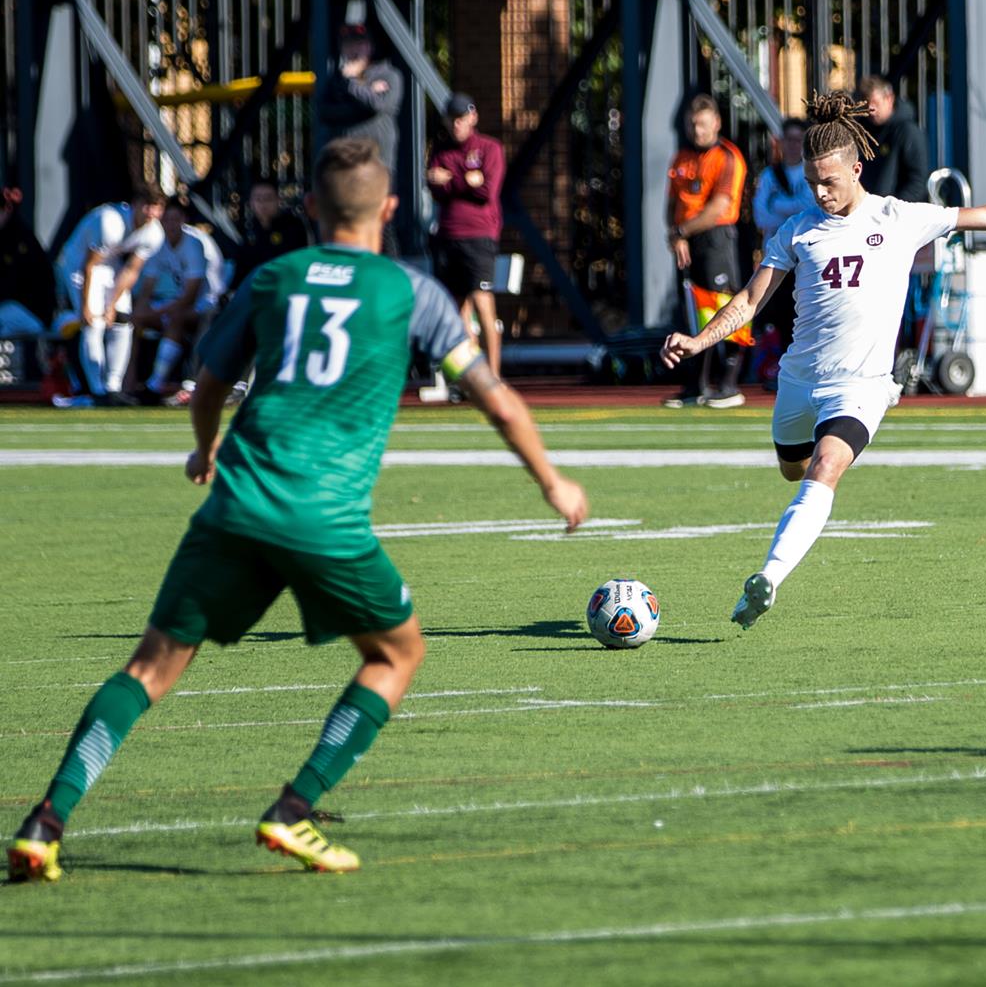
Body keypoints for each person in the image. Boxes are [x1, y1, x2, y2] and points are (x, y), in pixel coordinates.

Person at [6, 138, 589, 883]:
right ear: (388, 208)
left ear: (311, 208)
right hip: (324, 518)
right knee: (398, 653)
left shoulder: (272, 278)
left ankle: (44, 821)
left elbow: (211, 378)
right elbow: (496, 398)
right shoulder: (411, 292)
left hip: (238, 502)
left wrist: (204, 448)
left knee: (149, 668)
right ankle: (294, 807)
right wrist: (552, 482)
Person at [660, 92, 986, 630]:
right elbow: (750, 302)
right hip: (798, 383)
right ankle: (787, 519)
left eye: (830, 181)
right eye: (812, 182)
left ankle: (768, 578)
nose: (820, 193)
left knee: (825, 467)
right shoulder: (796, 231)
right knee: (792, 468)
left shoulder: (899, 218)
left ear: (857, 168)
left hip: (861, 387)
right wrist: (700, 341)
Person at [663, 94, 750, 409]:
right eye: (692, 124)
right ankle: (695, 385)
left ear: (716, 123)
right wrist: (676, 236)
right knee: (692, 311)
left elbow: (720, 207)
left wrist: (683, 231)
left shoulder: (727, 157)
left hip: (716, 239)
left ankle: (729, 384)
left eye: (702, 124)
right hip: (688, 242)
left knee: (723, 305)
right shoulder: (682, 157)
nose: (696, 130)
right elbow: (673, 204)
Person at [51, 189, 167, 406]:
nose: (152, 212)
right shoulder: (109, 222)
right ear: (135, 204)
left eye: (157, 207)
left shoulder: (154, 233)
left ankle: (113, 387)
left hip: (110, 266)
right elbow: (89, 266)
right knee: (93, 325)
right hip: (79, 265)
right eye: (147, 206)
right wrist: (86, 307)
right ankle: (98, 390)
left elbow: (131, 270)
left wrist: (112, 304)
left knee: (123, 322)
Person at [428, 93, 508, 376]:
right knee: (456, 312)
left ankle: (494, 377)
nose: (456, 126)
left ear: (472, 118)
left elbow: (486, 191)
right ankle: (469, 378)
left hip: (479, 237)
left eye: (460, 119)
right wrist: (467, 180)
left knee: (484, 305)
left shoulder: (490, 148)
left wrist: (453, 179)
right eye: (451, 120)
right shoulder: (441, 150)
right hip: (448, 236)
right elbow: (436, 188)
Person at [129, 198, 227, 405]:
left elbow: (191, 297)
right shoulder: (159, 245)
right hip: (175, 304)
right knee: (133, 321)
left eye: (175, 219)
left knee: (175, 319)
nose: (170, 224)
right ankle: (126, 385)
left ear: (183, 220)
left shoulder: (194, 244)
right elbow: (147, 287)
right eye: (166, 219)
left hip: (207, 305)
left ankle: (155, 385)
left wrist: (153, 314)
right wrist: (140, 312)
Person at [318, 25, 404, 178]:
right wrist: (366, 94)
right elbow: (324, 112)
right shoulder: (337, 80)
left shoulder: (389, 75)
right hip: (343, 163)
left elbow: (377, 105)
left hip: (376, 163)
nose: (353, 49)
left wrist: (352, 84)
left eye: (359, 43)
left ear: (370, 46)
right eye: (347, 44)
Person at [857, 75, 931, 204]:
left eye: (876, 103)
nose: (871, 110)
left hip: (897, 214)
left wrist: (893, 208)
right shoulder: (861, 130)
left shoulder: (907, 131)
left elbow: (918, 181)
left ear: (889, 99)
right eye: (867, 104)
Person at [232, 175, 310, 293]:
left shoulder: (293, 226)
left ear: (279, 200)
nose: (263, 204)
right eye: (258, 199)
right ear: (251, 202)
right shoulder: (247, 229)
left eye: (268, 198)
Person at [0, 187, 56, 331]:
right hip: (13, 308)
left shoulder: (19, 238)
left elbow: (11, 284)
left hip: (32, 312)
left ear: (7, 208)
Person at [753, 118, 814, 238]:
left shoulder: (812, 173)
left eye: (798, 140)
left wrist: (775, 203)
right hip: (775, 244)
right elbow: (761, 217)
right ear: (781, 141)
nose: (793, 145)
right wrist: (794, 212)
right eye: (789, 139)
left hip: (804, 244)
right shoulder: (768, 175)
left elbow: (810, 209)